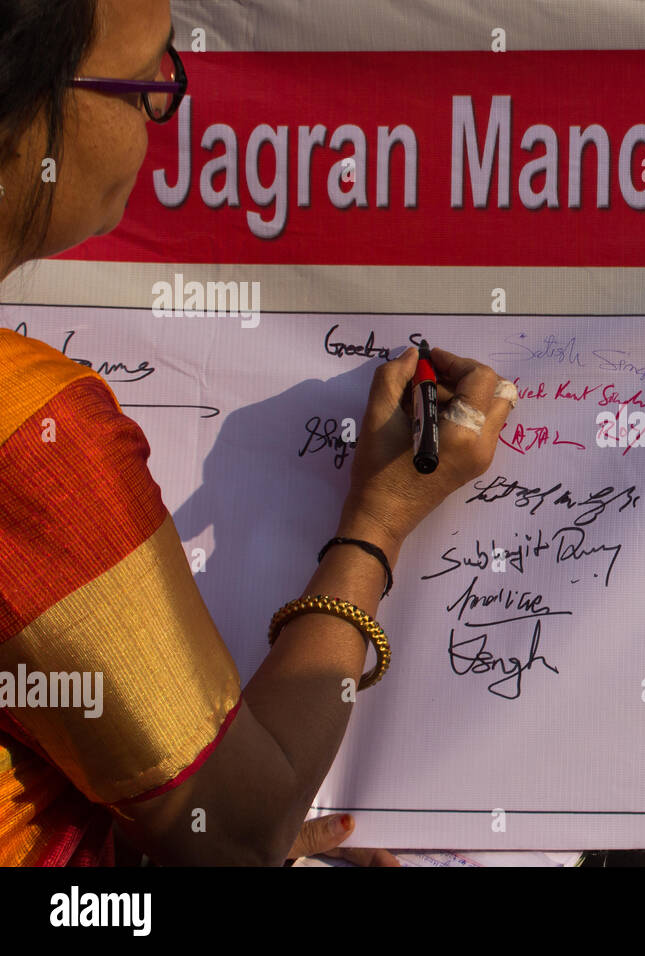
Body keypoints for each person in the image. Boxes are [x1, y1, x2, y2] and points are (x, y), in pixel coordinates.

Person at [0, 0, 517, 865]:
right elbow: (228, 828)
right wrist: (377, 525)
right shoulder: (29, 440)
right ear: (25, 107)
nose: (162, 113)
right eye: (144, 85)